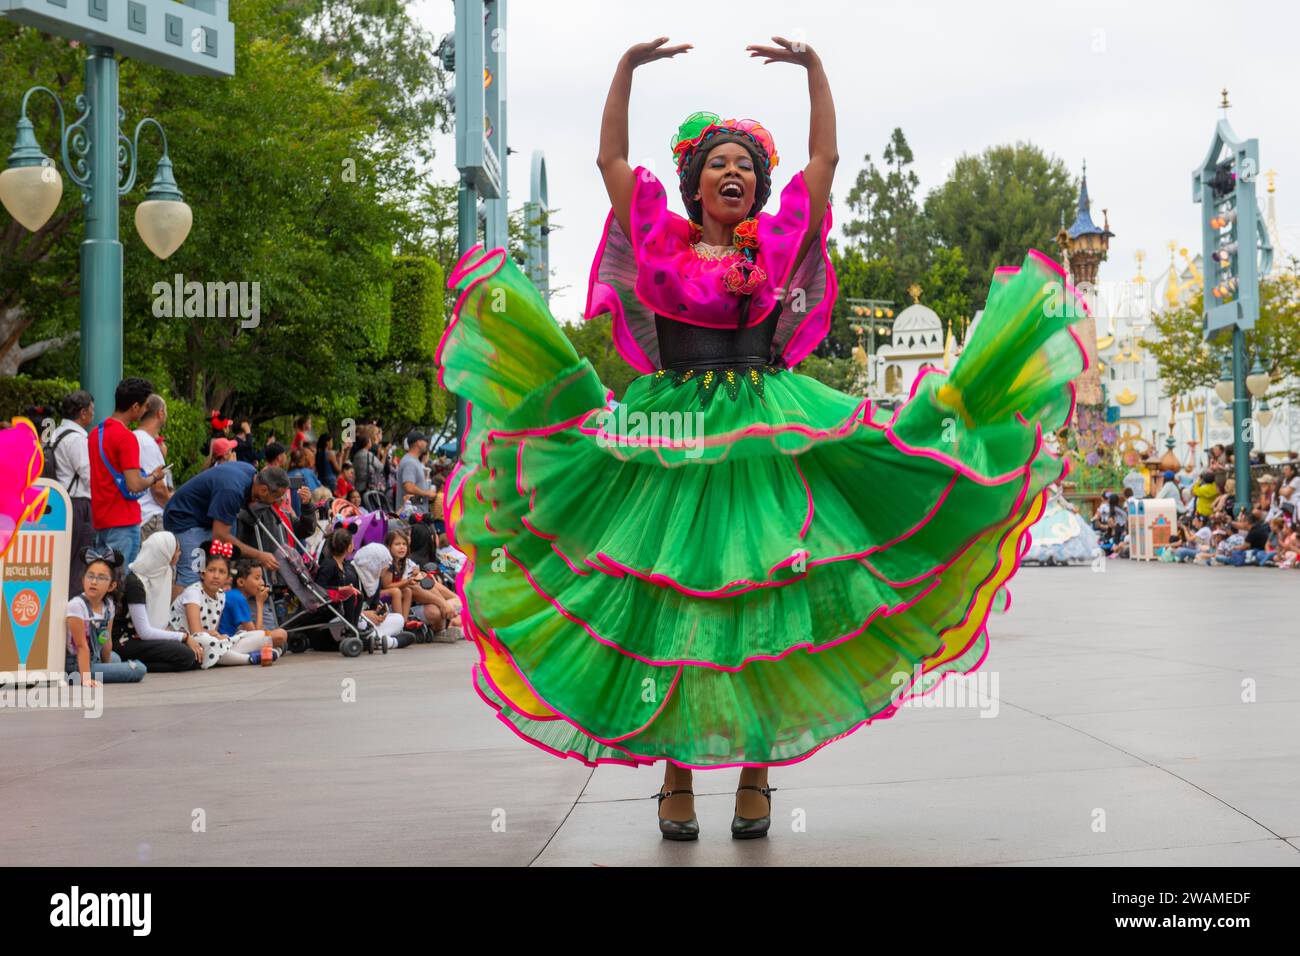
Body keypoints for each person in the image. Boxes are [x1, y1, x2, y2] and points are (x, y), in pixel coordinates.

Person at [435, 35, 1095, 843]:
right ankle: (675, 780)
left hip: (769, 419)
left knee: (767, 602)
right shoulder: (657, 239)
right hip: (667, 431)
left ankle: (757, 778)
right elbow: (609, 157)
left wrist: (816, 70)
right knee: (669, 602)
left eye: (746, 163)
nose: (734, 173)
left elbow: (824, 157)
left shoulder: (779, 240)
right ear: (694, 182)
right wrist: (626, 70)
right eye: (719, 162)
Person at [164, 463, 305, 587]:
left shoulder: (251, 472)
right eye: (276, 497)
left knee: (215, 574)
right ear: (263, 490)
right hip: (185, 520)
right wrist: (259, 555)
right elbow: (220, 537)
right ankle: (179, 615)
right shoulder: (232, 490)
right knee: (193, 576)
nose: (277, 501)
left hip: (206, 517)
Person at [87, 377, 167, 568]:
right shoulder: (126, 438)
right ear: (135, 407)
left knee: (102, 578)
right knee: (119, 583)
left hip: (100, 519)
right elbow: (134, 484)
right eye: (145, 406)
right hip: (123, 521)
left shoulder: (95, 434)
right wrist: (155, 476)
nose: (146, 410)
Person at [169, 542, 280, 666]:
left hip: (212, 643)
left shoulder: (221, 595)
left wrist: (219, 636)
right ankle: (249, 658)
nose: (216, 576)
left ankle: (228, 655)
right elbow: (196, 632)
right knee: (205, 640)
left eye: (222, 572)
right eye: (211, 570)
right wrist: (215, 636)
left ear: (228, 577)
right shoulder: (193, 592)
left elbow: (213, 628)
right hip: (187, 642)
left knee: (258, 635)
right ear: (202, 572)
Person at [112, 532, 203, 672]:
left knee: (195, 657)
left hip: (146, 639)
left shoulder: (165, 572)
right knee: (186, 656)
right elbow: (144, 632)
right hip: (126, 640)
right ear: (165, 552)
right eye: (177, 550)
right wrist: (184, 637)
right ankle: (132, 664)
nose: (179, 554)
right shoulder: (135, 582)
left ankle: (140, 663)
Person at [66, 547, 147, 685]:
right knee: (139, 669)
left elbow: (106, 640)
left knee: (115, 658)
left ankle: (105, 669)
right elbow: (81, 646)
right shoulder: (77, 606)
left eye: (101, 578)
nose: (94, 582)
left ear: (111, 586)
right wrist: (86, 680)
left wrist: (108, 665)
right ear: (83, 579)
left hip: (94, 658)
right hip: (77, 665)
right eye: (90, 576)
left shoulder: (108, 605)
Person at [51, 389, 95, 598]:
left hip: (62, 502)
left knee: (63, 561)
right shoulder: (77, 439)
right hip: (78, 506)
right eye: (92, 410)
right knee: (78, 563)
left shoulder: (56, 434)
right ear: (83, 412)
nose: (93, 415)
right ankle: (72, 613)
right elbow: (89, 475)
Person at [219, 560, 288, 652]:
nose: (262, 582)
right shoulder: (237, 598)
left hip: (230, 640)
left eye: (262, 578)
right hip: (226, 644)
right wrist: (260, 603)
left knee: (276, 638)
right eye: (257, 578)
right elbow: (256, 634)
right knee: (281, 634)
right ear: (241, 582)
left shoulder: (235, 595)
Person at [136, 394, 173, 543]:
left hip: (139, 516)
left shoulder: (134, 437)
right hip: (151, 518)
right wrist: (173, 505)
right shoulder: (148, 443)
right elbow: (158, 489)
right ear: (160, 413)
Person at [398, 432, 436, 514]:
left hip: (416, 512)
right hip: (411, 514)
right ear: (418, 443)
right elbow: (409, 487)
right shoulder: (410, 462)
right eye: (425, 441)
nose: (426, 443)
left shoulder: (414, 460)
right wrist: (426, 493)